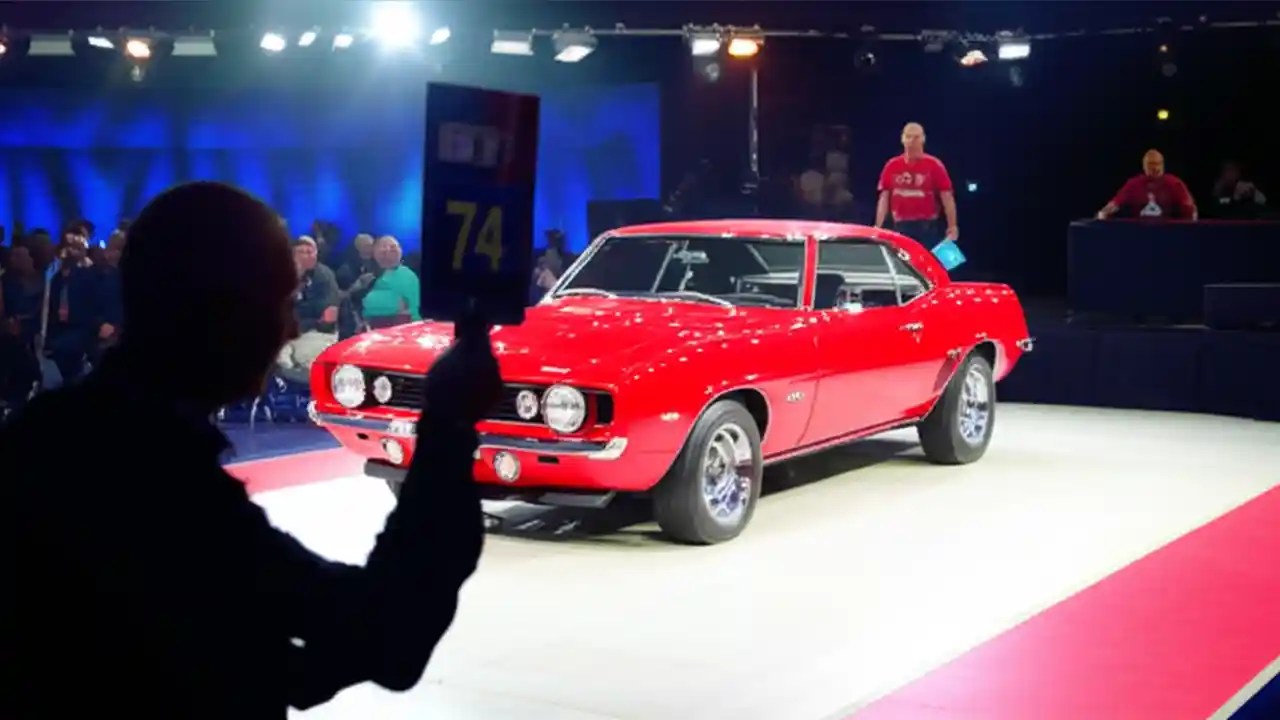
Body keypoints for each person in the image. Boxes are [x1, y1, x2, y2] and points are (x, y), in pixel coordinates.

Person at [2, 181, 501, 717]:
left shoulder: (47, 440)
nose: (289, 327)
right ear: (220, 310)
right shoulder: (168, 494)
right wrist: (447, 430)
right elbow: (386, 632)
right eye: (279, 302)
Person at [874, 122, 959, 246]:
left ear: (923, 139)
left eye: (916, 137)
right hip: (900, 225)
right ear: (902, 139)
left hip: (926, 226)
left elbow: (947, 197)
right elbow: (884, 198)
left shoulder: (934, 165)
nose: (912, 141)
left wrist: (952, 226)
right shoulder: (892, 165)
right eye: (909, 137)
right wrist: (878, 226)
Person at [276, 236, 340, 384]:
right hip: (288, 332)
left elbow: (327, 315)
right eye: (301, 252)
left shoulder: (325, 276)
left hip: (318, 333)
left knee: (305, 361)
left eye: (310, 252)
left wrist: (299, 317)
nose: (306, 256)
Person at [1096, 149, 1197, 220]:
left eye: (1158, 164)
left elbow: (1190, 207)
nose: (1155, 168)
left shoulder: (1174, 183)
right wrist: (1102, 214)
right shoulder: (1133, 184)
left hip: (1167, 234)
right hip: (1140, 234)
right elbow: (1115, 203)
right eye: (1151, 164)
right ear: (1144, 166)